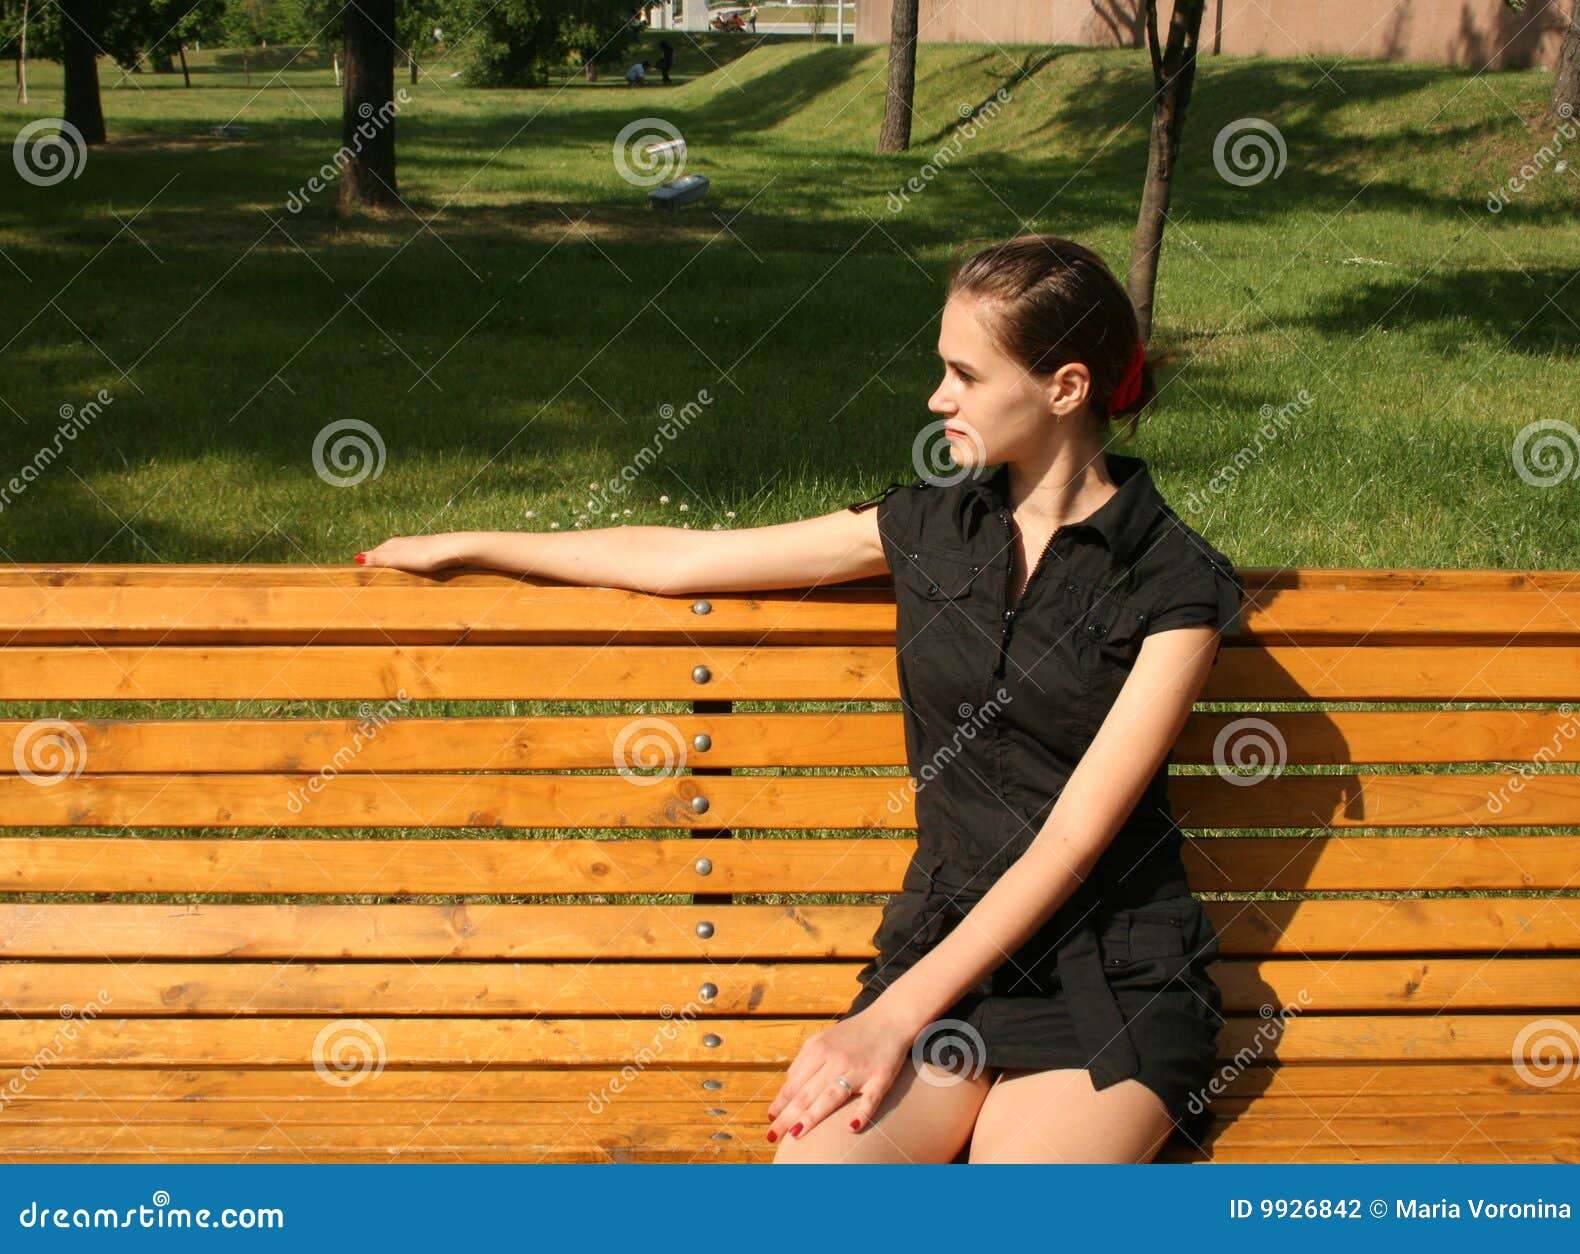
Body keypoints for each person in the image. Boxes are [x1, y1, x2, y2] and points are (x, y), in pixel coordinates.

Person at [352, 233, 1241, 1166]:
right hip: (943, 961)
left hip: (1110, 973)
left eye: (964, 375)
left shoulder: (1171, 583)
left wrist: (887, 1022)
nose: (938, 397)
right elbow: (689, 558)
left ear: (1064, 388)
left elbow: (1070, 842)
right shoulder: (935, 524)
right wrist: (474, 542)